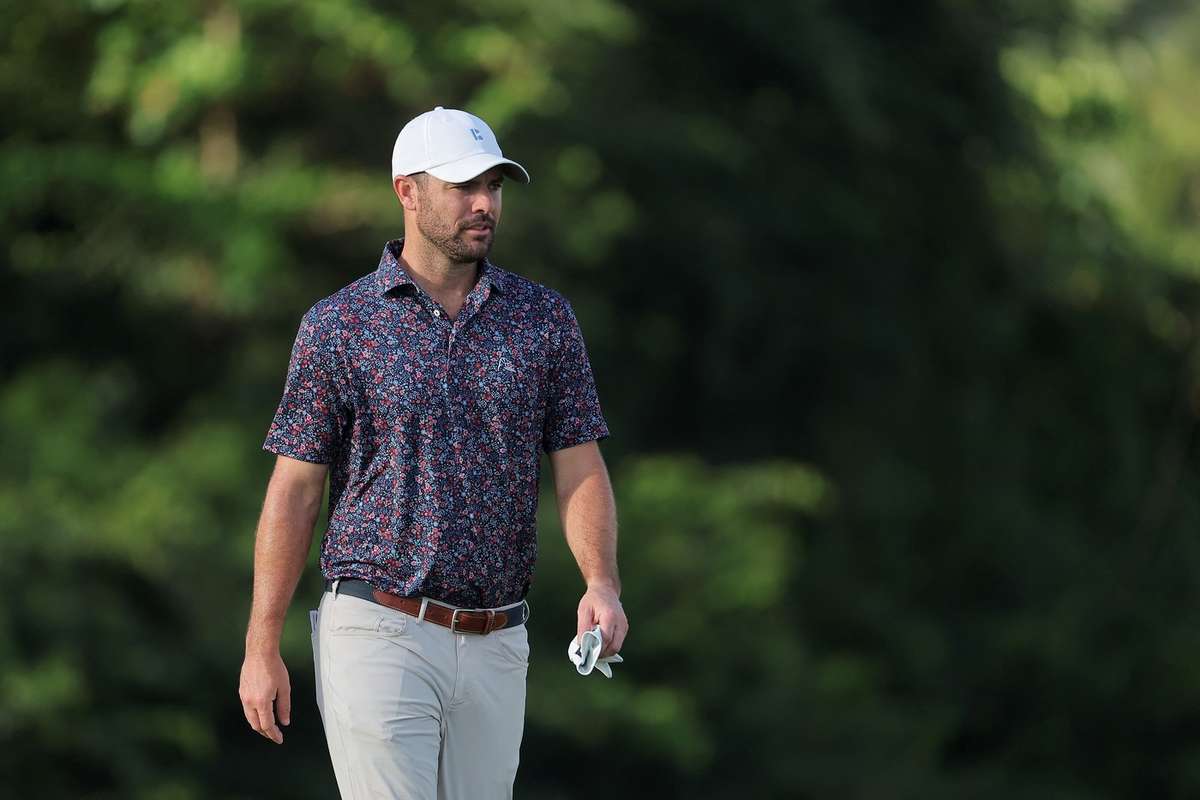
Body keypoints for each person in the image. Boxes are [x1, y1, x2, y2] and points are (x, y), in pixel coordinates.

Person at [237, 106, 627, 799]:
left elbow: (579, 464)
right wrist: (262, 644)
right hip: (378, 628)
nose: (485, 204)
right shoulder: (339, 326)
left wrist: (601, 582)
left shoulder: (544, 321)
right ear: (406, 192)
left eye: (495, 186)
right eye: (462, 186)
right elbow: (295, 490)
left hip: (500, 638)